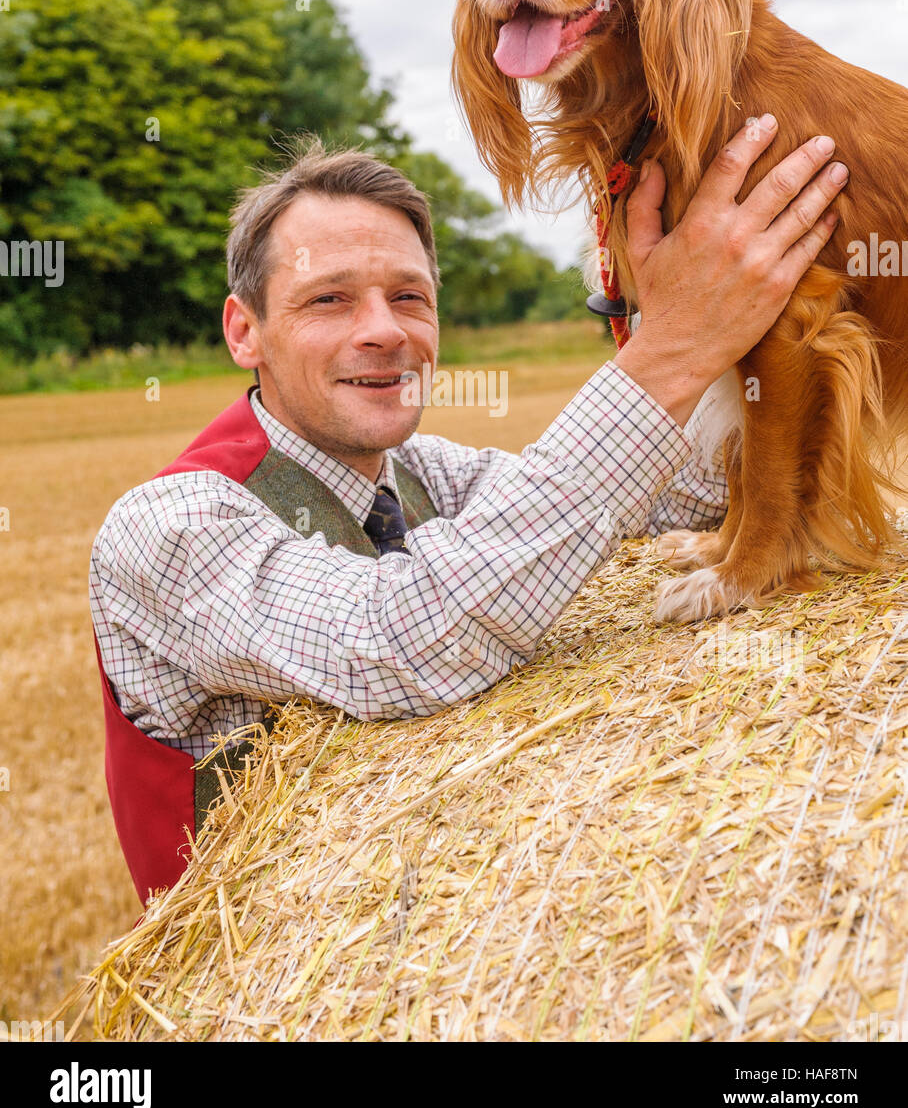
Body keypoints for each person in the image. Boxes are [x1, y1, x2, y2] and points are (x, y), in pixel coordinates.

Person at [89, 120, 846, 900]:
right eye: (330, 299)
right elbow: (396, 643)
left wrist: (695, 317)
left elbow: (676, 499)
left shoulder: (427, 475)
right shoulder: (167, 528)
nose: (384, 330)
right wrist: (673, 351)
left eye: (408, 297)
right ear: (244, 331)